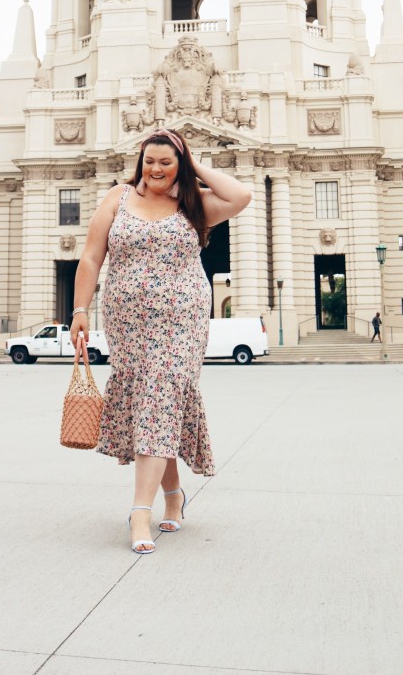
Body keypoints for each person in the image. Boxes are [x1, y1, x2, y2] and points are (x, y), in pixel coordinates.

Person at [70, 128, 252, 554]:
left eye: (167, 162)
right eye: (150, 161)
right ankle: (173, 496)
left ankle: (139, 512)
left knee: (158, 396)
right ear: (140, 162)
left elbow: (240, 196)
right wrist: (80, 311)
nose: (156, 169)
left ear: (180, 166)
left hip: (180, 321)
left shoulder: (193, 204)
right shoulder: (117, 198)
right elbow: (92, 256)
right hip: (127, 322)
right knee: (153, 405)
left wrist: (194, 164)